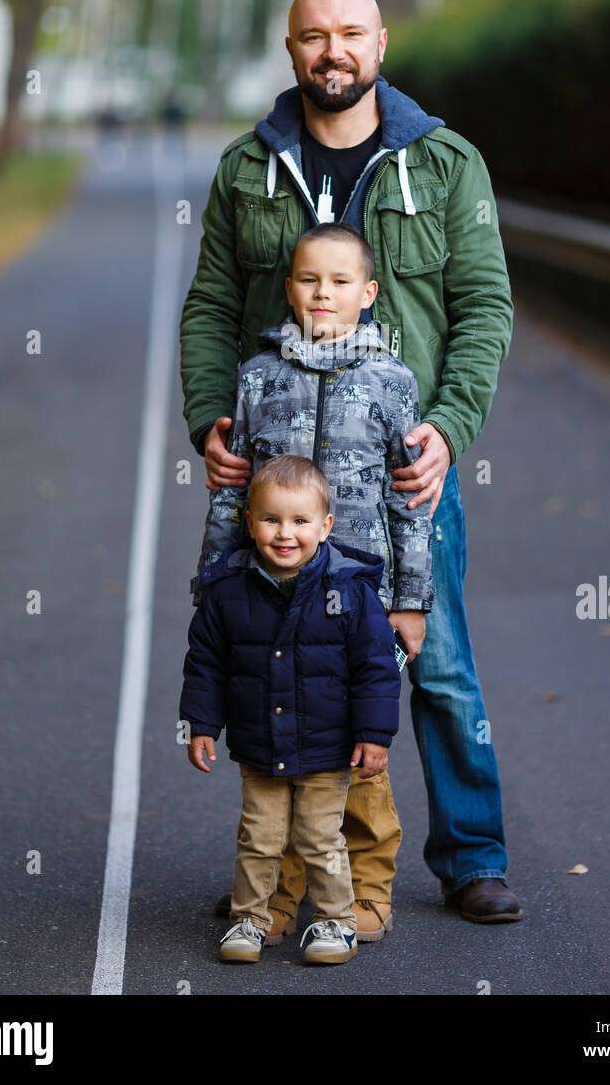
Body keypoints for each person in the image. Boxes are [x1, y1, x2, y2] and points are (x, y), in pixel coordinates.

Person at [179, 0, 522, 927]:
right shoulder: (248, 169)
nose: (334, 51)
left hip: (400, 475)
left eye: (351, 34)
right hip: (275, 482)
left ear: (381, 44)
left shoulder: (448, 165)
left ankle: (471, 858)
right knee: (274, 668)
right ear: (291, 50)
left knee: (437, 664)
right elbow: (211, 305)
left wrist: (448, 430)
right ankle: (280, 878)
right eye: (314, 35)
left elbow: (484, 308)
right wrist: (209, 416)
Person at [191, 220, 434, 938]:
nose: (321, 293)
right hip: (267, 592)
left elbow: (409, 503)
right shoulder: (259, 377)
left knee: (358, 748)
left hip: (361, 597)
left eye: (337, 281)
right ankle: (281, 897)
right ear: (289, 287)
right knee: (281, 733)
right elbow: (232, 495)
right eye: (307, 279)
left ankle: (366, 892)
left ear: (368, 292)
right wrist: (212, 584)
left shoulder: (393, 383)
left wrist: (411, 601)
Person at [180, 455, 401, 964]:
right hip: (260, 744)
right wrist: (201, 725)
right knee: (259, 836)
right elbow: (207, 663)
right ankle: (251, 920)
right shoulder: (228, 592)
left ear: (324, 527)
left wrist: (374, 734)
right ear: (251, 522)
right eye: (271, 519)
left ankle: (334, 921)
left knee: (320, 836)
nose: (285, 534)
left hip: (327, 746)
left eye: (300, 521)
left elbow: (375, 669)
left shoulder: (350, 591)